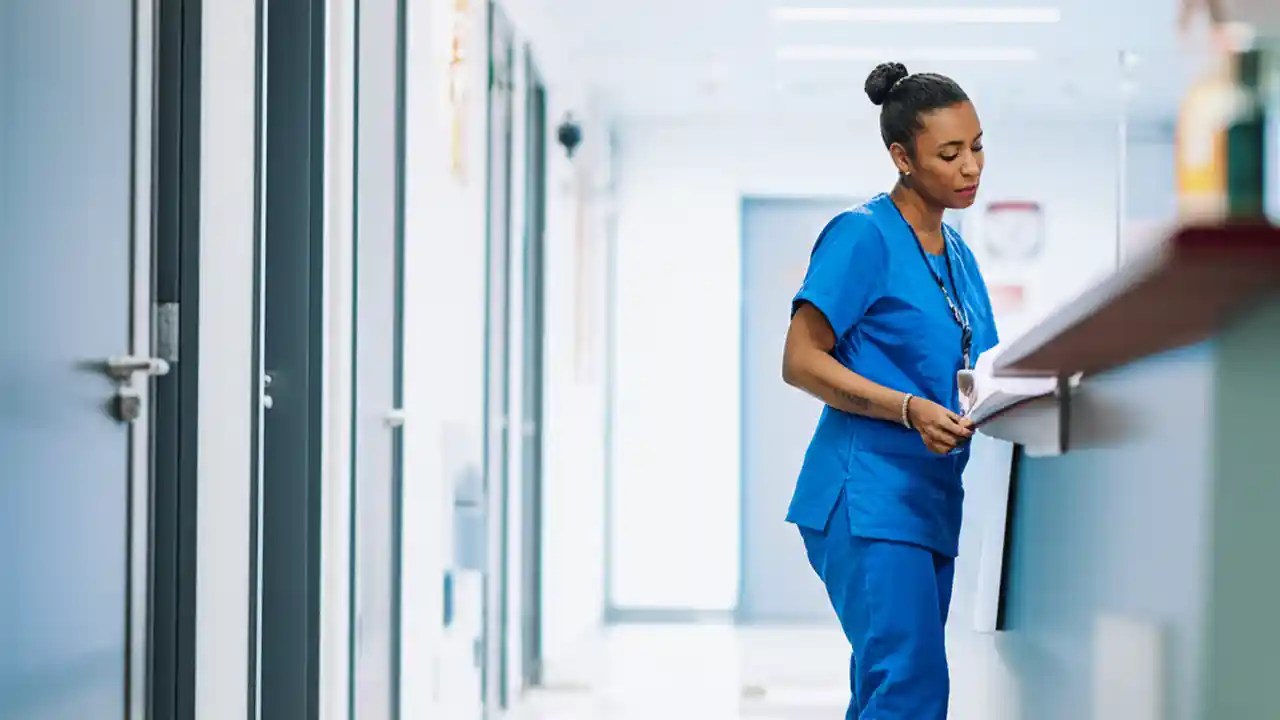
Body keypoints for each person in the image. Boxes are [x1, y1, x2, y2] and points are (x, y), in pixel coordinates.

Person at [780, 61, 999, 720]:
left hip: (928, 501)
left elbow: (977, 364)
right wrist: (906, 408)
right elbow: (800, 359)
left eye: (979, 145)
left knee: (888, 689)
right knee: (910, 688)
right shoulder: (863, 236)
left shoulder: (957, 255)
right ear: (902, 157)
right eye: (950, 153)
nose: (971, 168)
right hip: (866, 497)